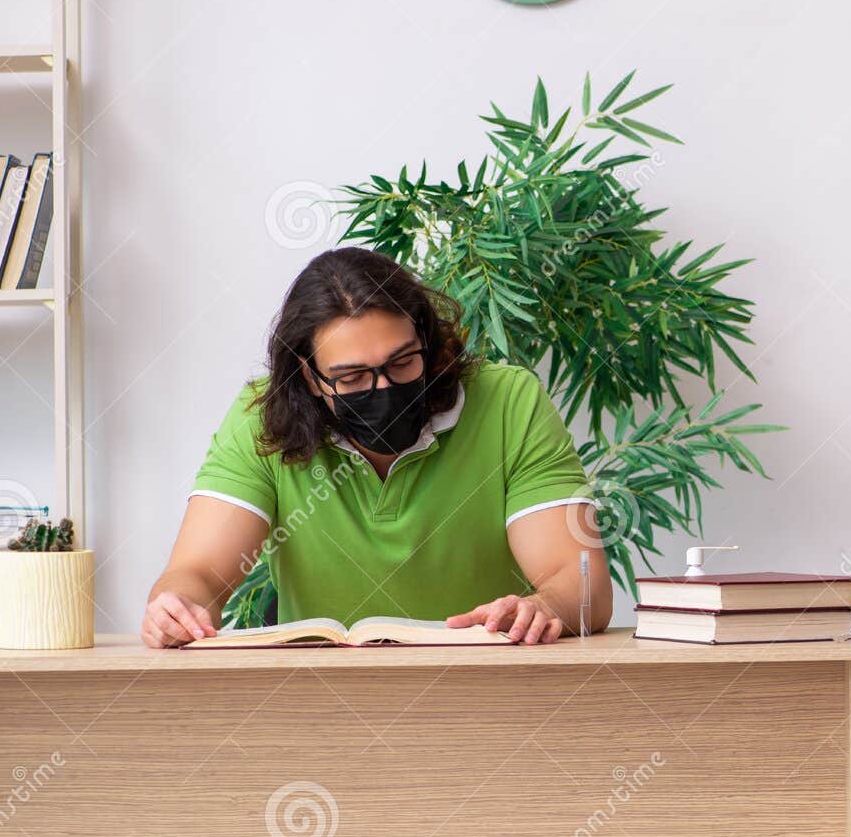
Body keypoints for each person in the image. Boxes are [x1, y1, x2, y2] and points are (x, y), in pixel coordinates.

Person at [141, 247, 611, 647]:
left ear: (426, 341)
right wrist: (177, 608)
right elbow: (199, 572)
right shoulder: (261, 417)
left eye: (403, 362)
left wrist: (543, 607)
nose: (383, 388)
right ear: (309, 376)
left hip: (482, 690)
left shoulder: (509, 401)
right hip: (317, 705)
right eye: (352, 378)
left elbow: (581, 581)